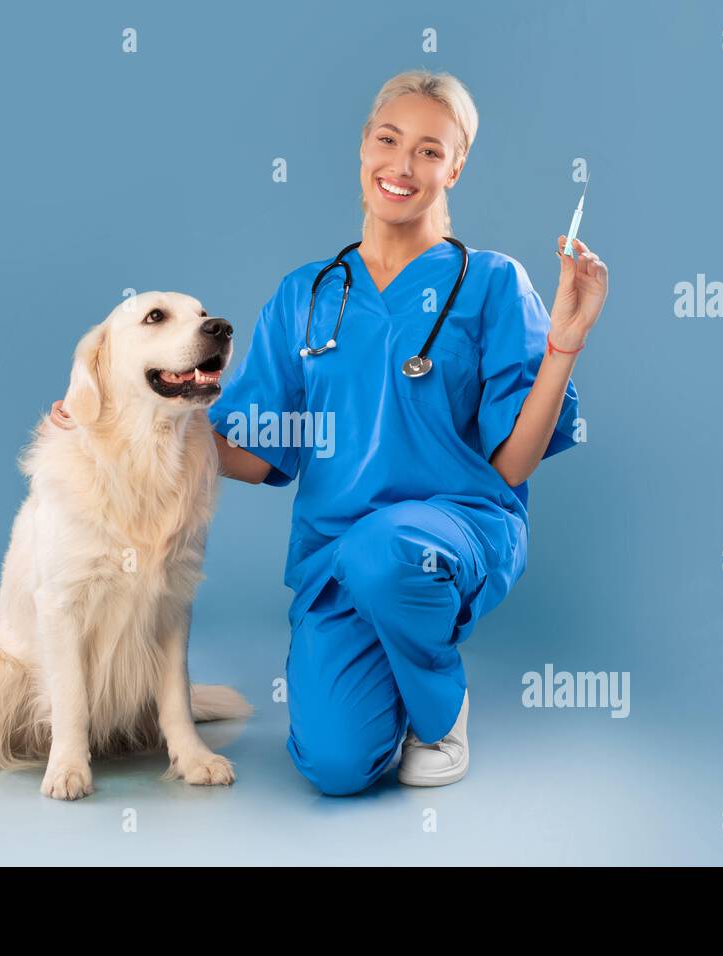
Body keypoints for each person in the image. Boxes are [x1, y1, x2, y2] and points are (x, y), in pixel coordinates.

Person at [51, 69, 608, 795]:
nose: (402, 166)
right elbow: (251, 450)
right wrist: (123, 421)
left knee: (388, 551)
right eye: (388, 140)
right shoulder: (306, 295)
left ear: (456, 167)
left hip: (460, 526)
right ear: (363, 149)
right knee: (337, 767)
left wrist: (563, 345)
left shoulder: (494, 283)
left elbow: (512, 463)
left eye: (430, 151)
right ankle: (387, 664)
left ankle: (440, 709)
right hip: (338, 561)